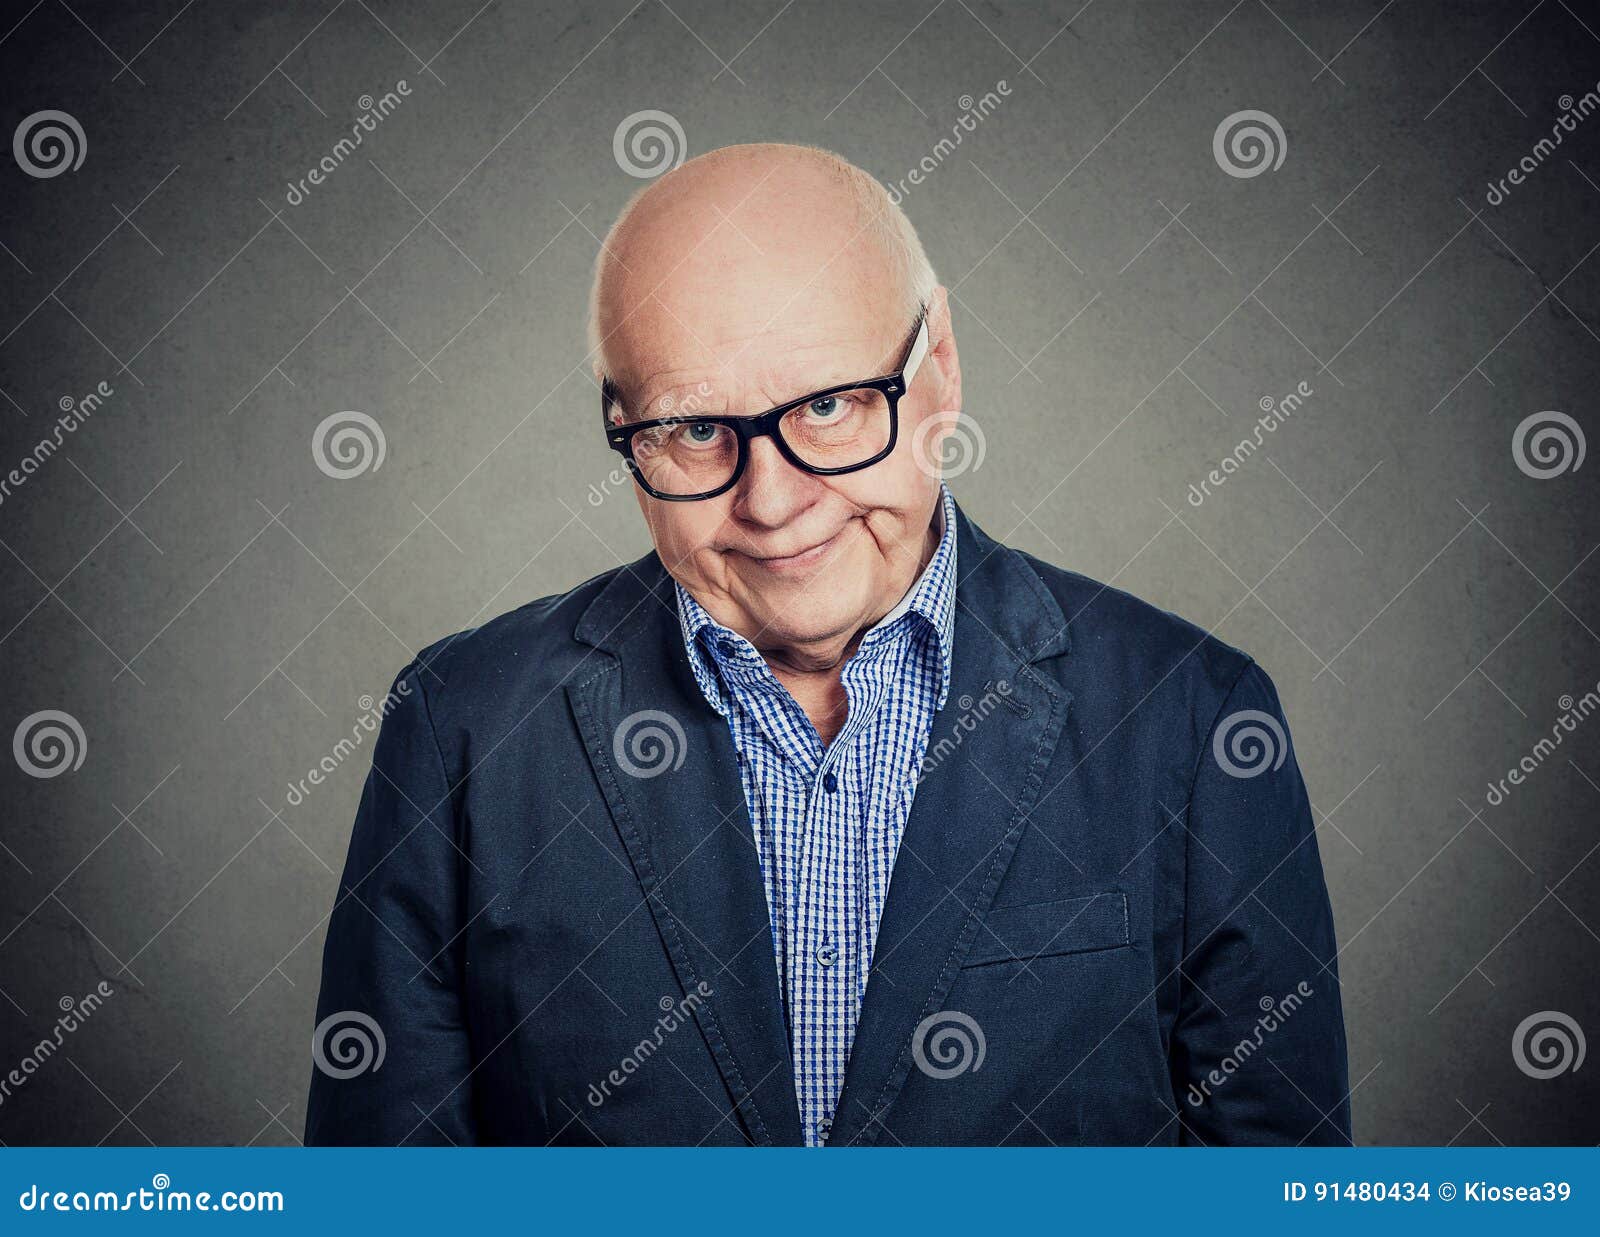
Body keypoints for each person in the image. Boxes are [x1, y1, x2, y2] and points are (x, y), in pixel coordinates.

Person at [306, 142, 1349, 1146]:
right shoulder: (461, 727)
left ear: (937, 371)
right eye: (694, 428)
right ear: (623, 430)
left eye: (830, 406)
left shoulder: (1193, 715)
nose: (773, 503)